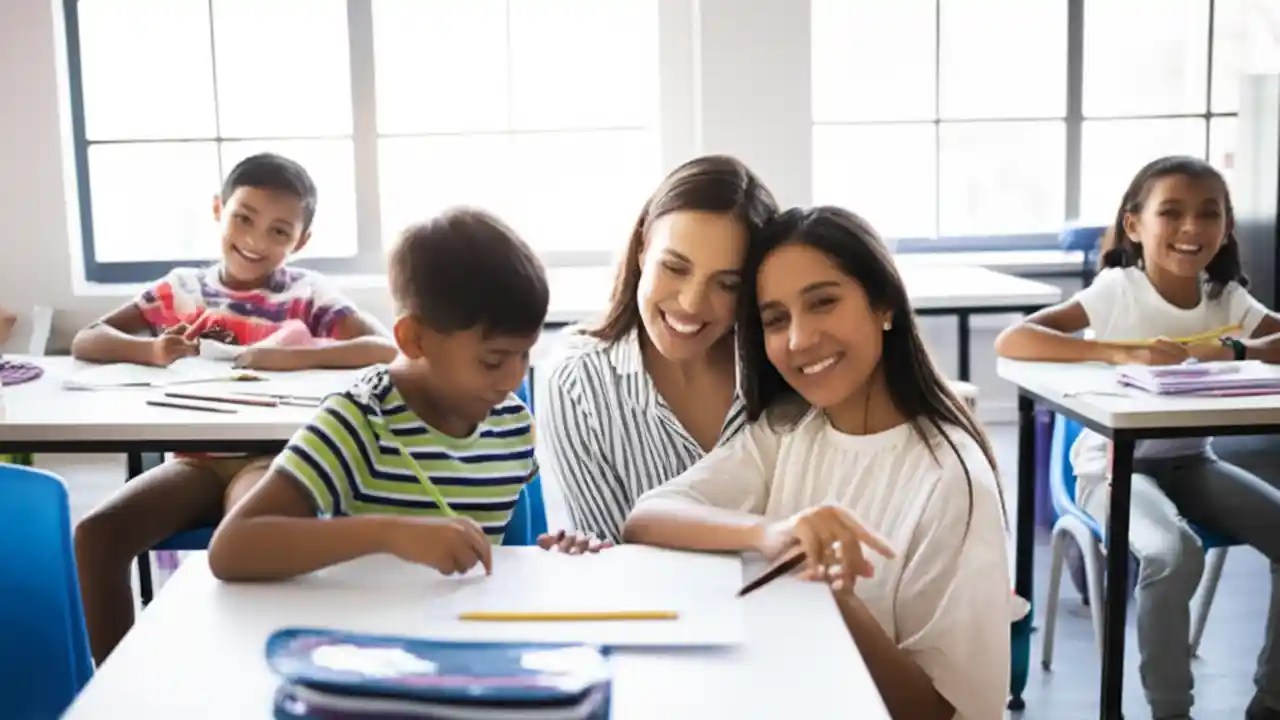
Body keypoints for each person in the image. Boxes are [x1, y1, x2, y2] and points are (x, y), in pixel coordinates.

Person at [624, 206, 1011, 720]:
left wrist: (839, 597)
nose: (800, 339)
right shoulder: (790, 428)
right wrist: (770, 535)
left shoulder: (953, 483)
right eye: (775, 319)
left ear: (884, 305)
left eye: (823, 303)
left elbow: (950, 714)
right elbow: (646, 518)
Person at [71, 152, 398, 664]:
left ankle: (255, 672)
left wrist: (288, 356)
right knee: (95, 535)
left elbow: (382, 349)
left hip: (272, 459)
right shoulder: (182, 290)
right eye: (244, 218)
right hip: (196, 463)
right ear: (219, 208)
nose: (255, 240)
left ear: (300, 242)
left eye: (278, 231)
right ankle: (117, 681)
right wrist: (149, 349)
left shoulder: (306, 293)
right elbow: (88, 340)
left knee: (244, 541)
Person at [995, 155, 1280, 720]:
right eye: (1171, 212)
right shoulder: (1118, 291)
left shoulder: (1226, 297)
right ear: (1134, 225)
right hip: (1111, 467)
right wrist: (1118, 349)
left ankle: (1270, 703)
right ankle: (1170, 713)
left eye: (1209, 214)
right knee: (1174, 554)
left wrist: (1237, 350)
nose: (1191, 229)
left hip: (1191, 464)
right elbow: (1014, 339)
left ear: (1225, 229)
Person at [209, 207, 604, 584]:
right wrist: (389, 535)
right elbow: (232, 549)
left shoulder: (511, 425)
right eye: (493, 361)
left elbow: (508, 556)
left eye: (524, 355)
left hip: (468, 640)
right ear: (414, 339)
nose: (513, 379)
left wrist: (557, 555)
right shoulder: (358, 422)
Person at [541, 155, 777, 543]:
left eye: (727, 284)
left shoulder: (780, 366)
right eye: (675, 268)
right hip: (649, 603)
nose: (691, 303)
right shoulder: (578, 381)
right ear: (641, 250)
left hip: (781, 600)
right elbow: (610, 557)